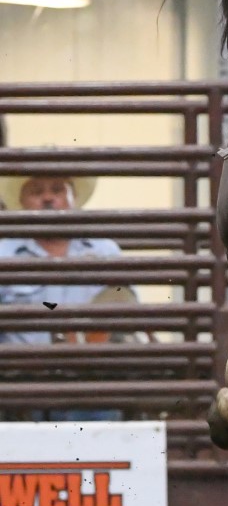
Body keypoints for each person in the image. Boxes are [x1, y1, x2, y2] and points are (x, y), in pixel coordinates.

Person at [0, 172, 131, 420]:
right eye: (37, 192)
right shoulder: (3, 254)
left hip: (94, 383)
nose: (48, 198)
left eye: (57, 190)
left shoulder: (104, 251)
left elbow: (124, 309)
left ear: (72, 198)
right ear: (21, 202)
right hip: (21, 389)